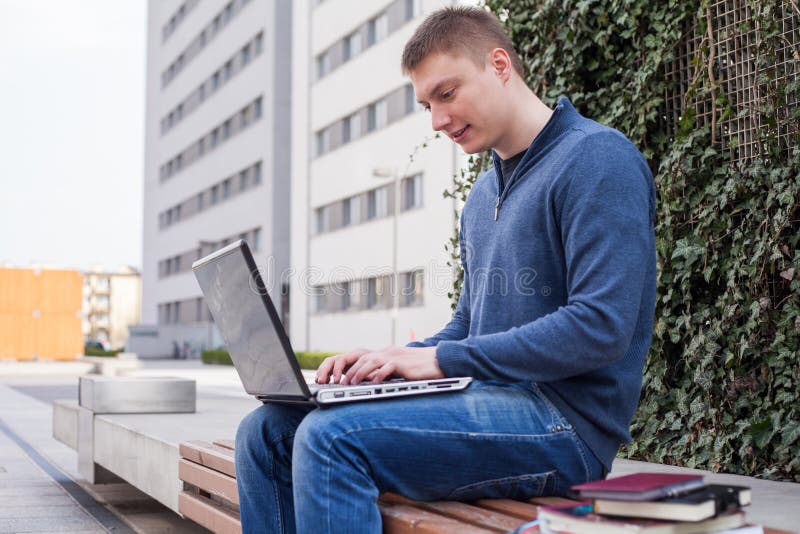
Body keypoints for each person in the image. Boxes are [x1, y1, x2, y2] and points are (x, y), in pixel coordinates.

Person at [235, 6, 656, 533]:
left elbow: (601, 326)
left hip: (562, 425)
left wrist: (441, 360)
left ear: (499, 64)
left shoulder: (597, 160)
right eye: (426, 104)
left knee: (331, 437)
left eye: (447, 93)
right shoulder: (483, 194)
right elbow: (468, 325)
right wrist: (392, 361)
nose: (436, 120)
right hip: (490, 400)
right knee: (266, 432)